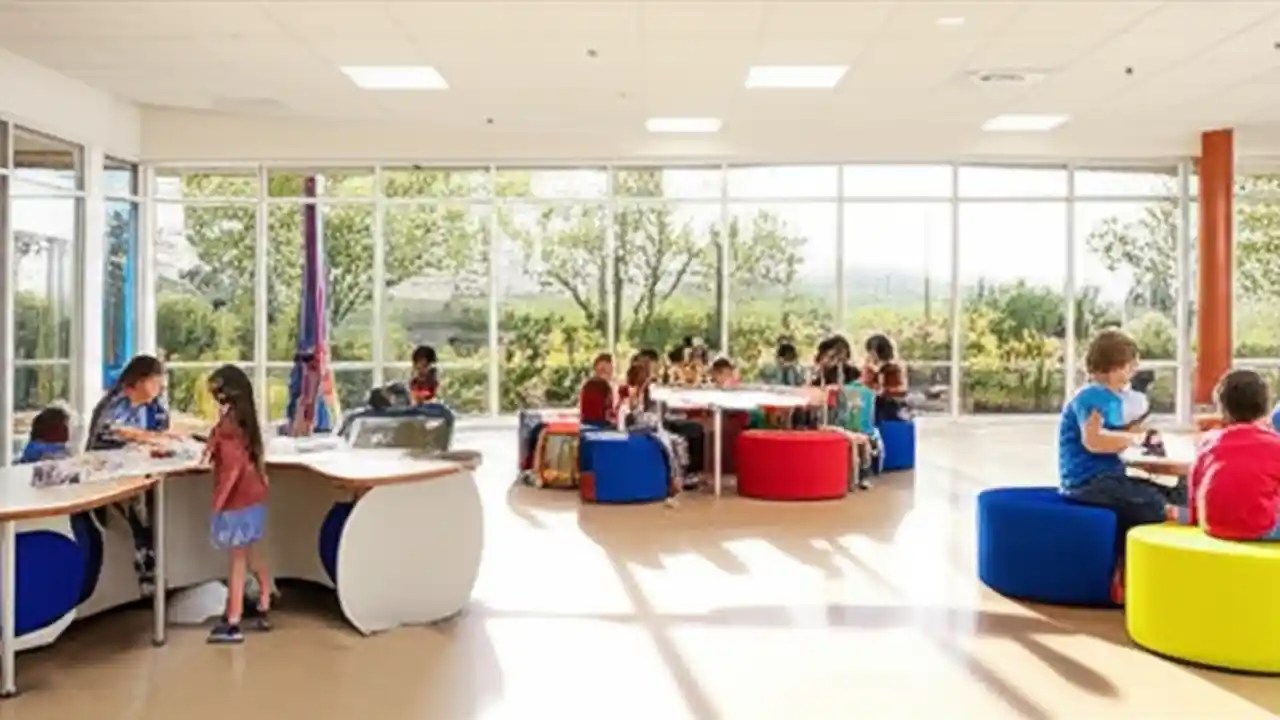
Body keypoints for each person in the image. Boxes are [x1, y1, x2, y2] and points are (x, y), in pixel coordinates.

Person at [1058, 329, 1184, 604]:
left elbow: (1116, 434)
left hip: (1108, 477)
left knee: (1170, 492)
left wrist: (1136, 434)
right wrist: (1135, 437)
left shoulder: (1109, 398)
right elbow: (1094, 441)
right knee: (1151, 503)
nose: (1131, 374)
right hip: (1088, 482)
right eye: (1128, 368)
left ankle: (1134, 566)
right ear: (1113, 368)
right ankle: (1126, 576)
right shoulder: (1091, 397)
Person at [86, 354, 180, 597]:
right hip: (107, 474)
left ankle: (152, 567)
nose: (160, 388)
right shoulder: (117, 400)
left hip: (137, 470)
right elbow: (116, 430)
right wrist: (149, 438)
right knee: (139, 514)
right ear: (140, 381)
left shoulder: (151, 405)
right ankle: (144, 572)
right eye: (156, 382)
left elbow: (162, 429)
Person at [203, 365, 273, 644]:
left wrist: (217, 506)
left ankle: (233, 620)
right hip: (254, 497)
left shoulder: (229, 428)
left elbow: (231, 471)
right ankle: (266, 596)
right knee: (251, 550)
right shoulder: (245, 423)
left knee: (237, 560)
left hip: (237, 502)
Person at [1173, 369, 1280, 541]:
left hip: (1212, 525)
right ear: (1266, 407)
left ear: (1221, 408)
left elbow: (1194, 486)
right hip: (1260, 528)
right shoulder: (1275, 444)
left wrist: (1193, 518)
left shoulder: (1208, 442)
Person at [862, 334, 909, 422]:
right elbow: (865, 384)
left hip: (890, 404)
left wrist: (885, 390)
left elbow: (902, 389)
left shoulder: (894, 367)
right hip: (871, 404)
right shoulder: (868, 368)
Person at [579, 353, 616, 428]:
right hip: (599, 426)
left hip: (587, 424)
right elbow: (607, 411)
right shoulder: (600, 385)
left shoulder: (588, 385)